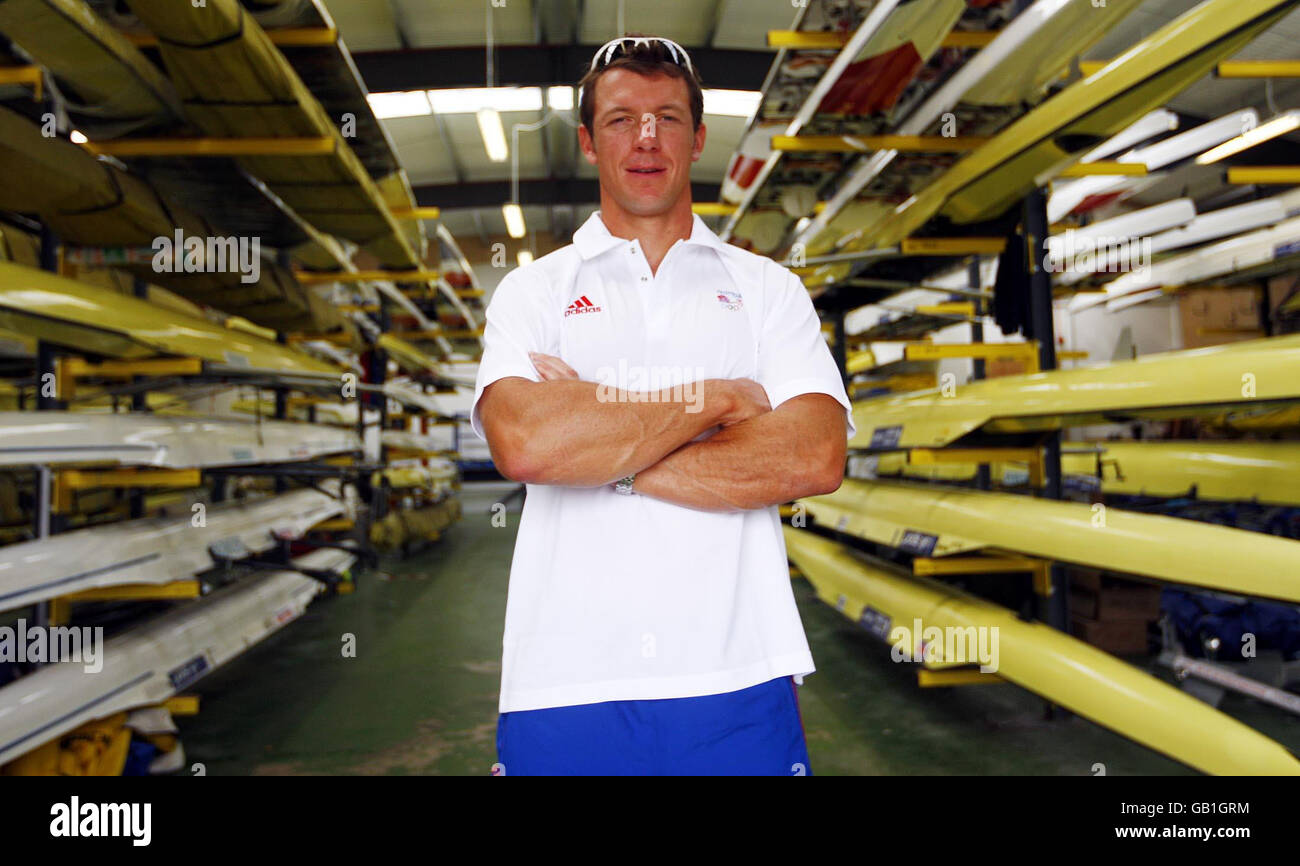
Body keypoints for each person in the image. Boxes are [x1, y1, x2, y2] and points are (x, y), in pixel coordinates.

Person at [472, 35, 854, 775]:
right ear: (588, 142)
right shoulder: (533, 291)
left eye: (667, 118)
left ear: (699, 137)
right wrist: (717, 400)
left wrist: (596, 443)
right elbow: (524, 446)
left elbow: (814, 455)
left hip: (737, 674)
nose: (645, 139)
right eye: (620, 119)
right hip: (563, 680)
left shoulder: (767, 289)